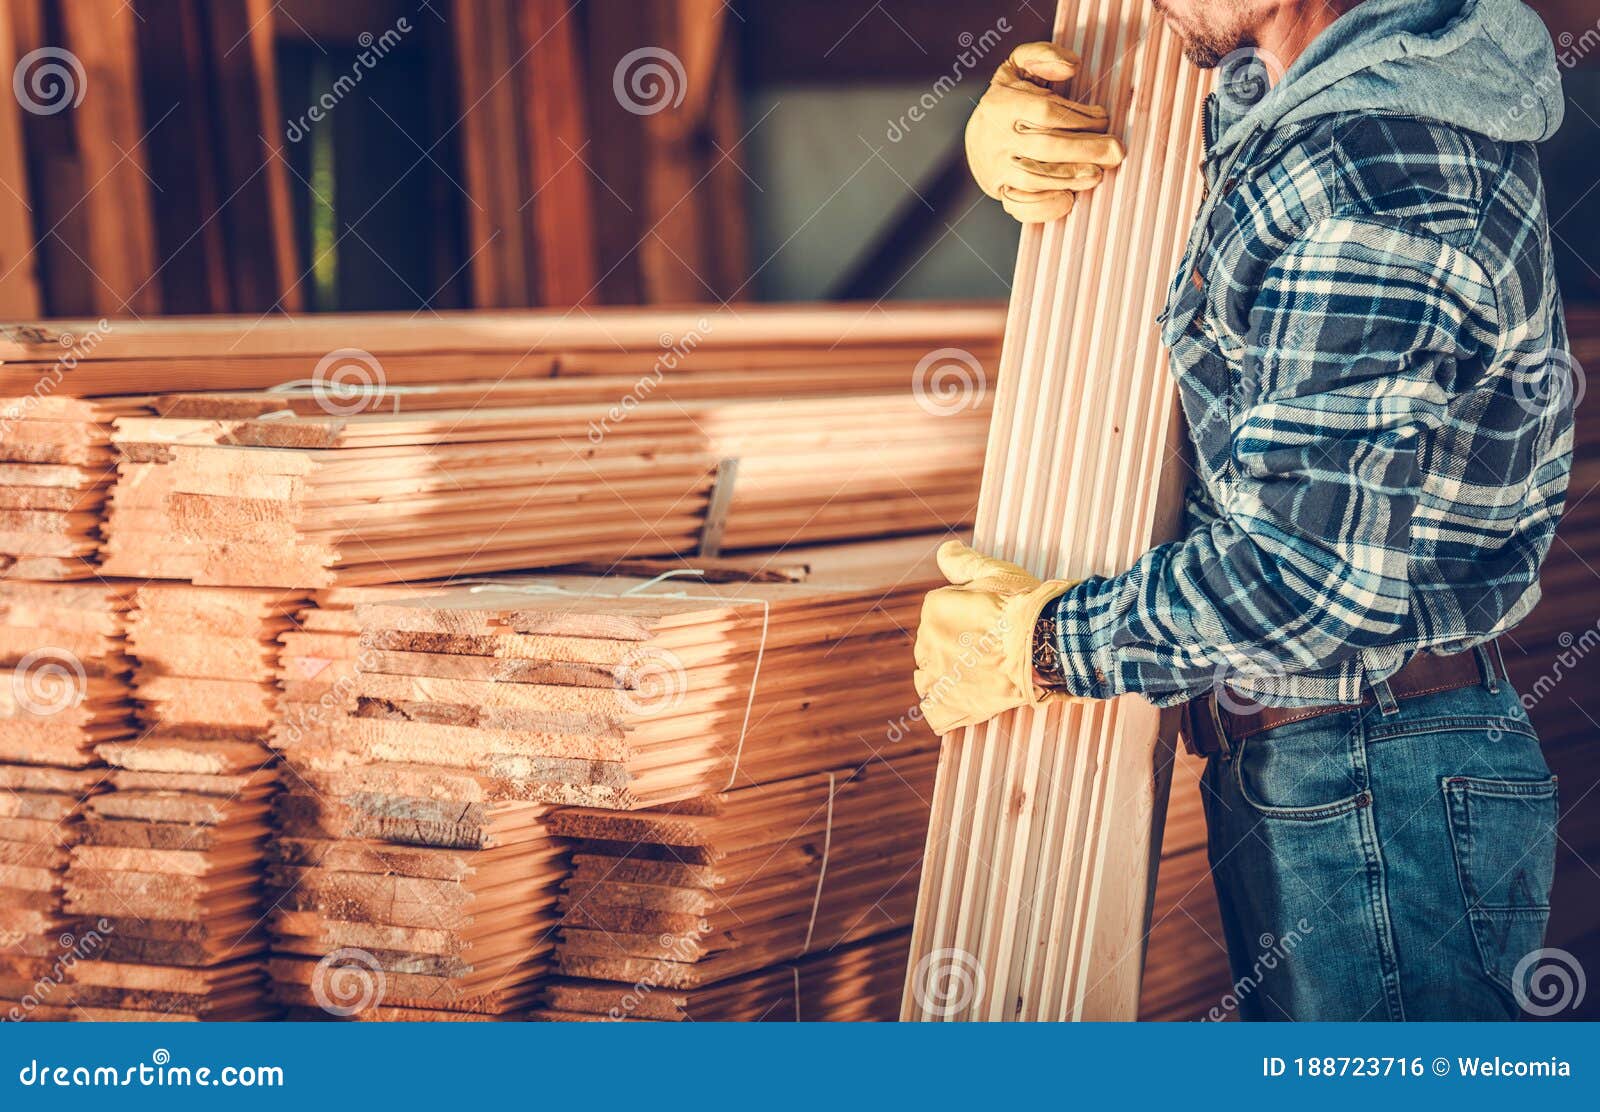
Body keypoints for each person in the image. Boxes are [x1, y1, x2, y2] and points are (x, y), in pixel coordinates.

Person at [913, 0, 1573, 1021]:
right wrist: (1053, 131)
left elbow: (1308, 580)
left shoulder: (1371, 175)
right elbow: (1238, 176)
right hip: (1348, 757)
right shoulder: (1334, 105)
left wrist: (1039, 642)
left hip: (1367, 768)